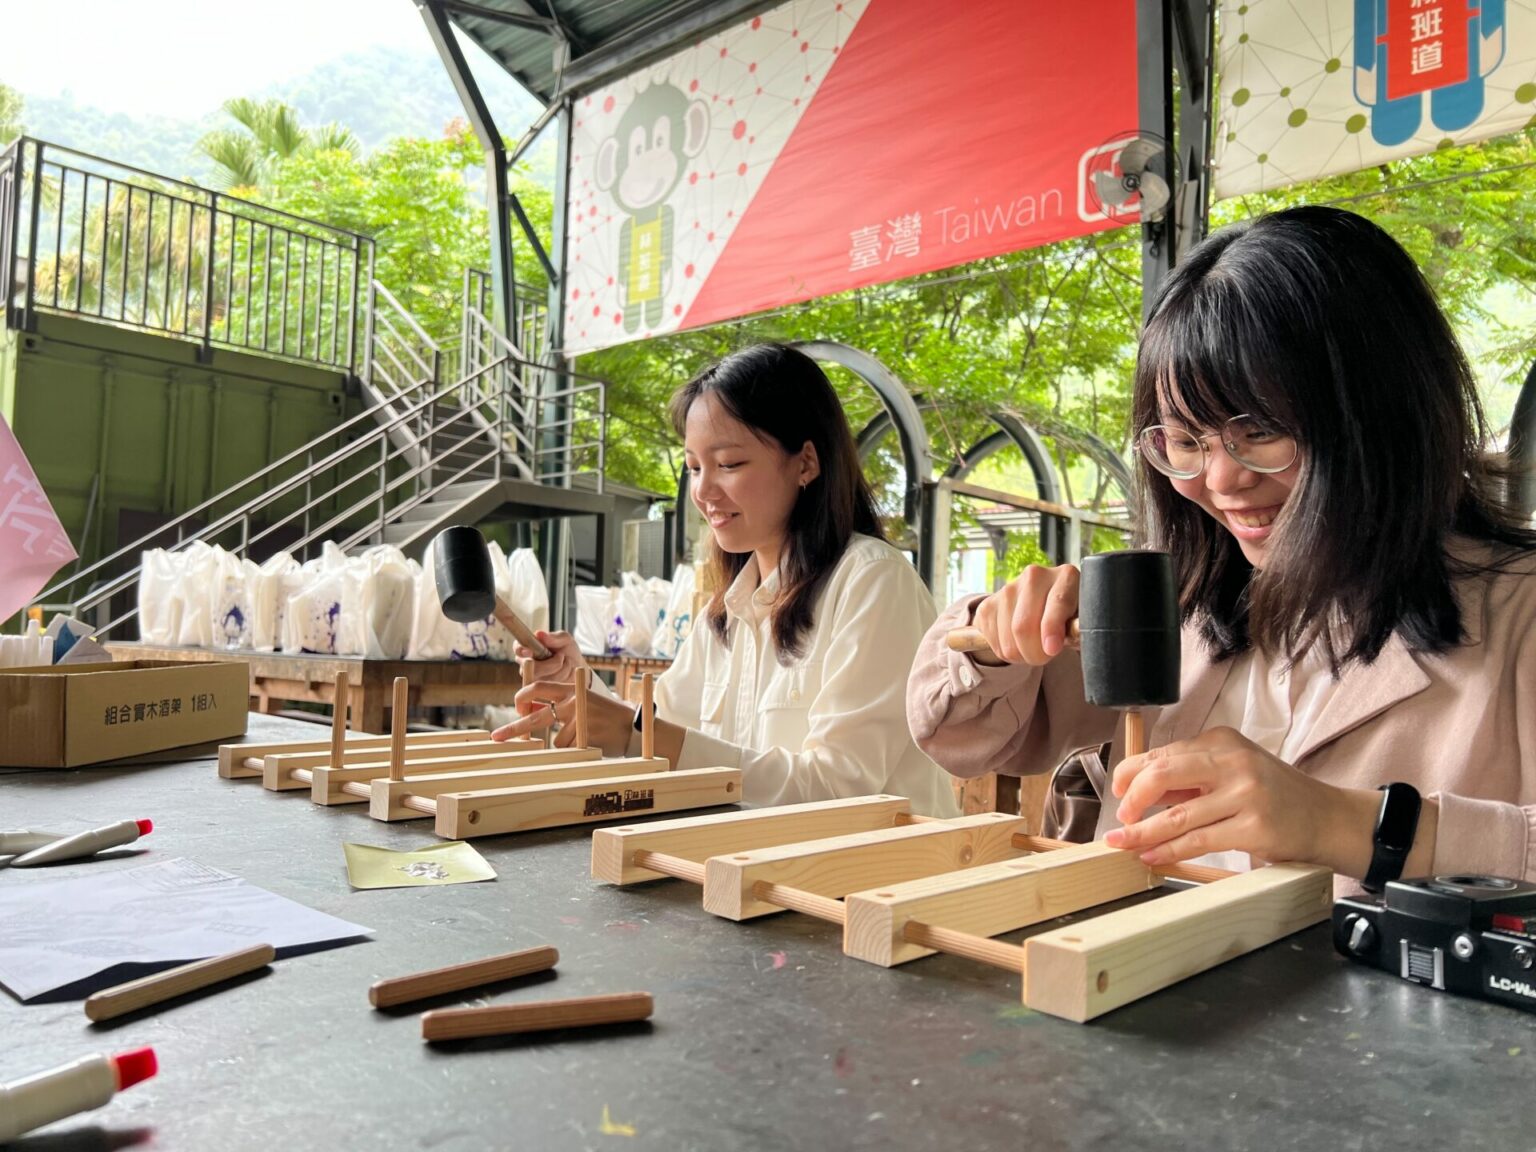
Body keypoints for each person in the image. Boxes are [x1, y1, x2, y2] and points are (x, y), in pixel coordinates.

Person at [907, 205, 1536, 887]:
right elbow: (960, 737)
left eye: (1259, 430)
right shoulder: (1183, 611)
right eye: (1185, 441)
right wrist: (997, 638)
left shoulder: (1519, 616)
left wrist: (1343, 823)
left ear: (1381, 412)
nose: (1220, 480)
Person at [496, 342, 959, 817]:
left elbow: (837, 790)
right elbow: (662, 729)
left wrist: (631, 731)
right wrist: (583, 687)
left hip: (874, 881)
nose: (703, 491)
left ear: (805, 463)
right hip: (757, 873)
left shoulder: (874, 582)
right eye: (694, 467)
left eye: (729, 464)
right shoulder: (728, 610)